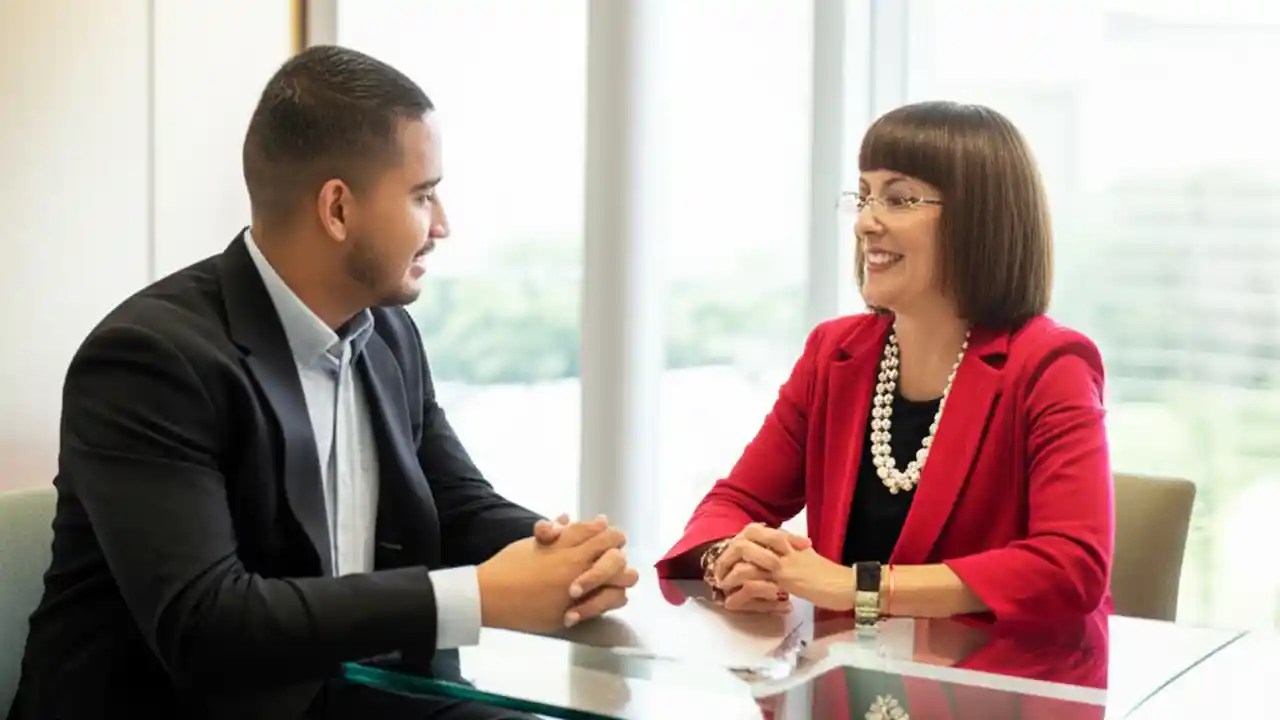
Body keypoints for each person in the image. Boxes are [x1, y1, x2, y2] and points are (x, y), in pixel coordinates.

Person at [9, 45, 637, 720]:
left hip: (349, 699)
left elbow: (455, 508)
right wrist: (480, 597)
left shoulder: (386, 335)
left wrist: (568, 560)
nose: (443, 225)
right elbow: (207, 623)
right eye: (423, 195)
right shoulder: (149, 360)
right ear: (338, 209)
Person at [656, 101, 1113, 628]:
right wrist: (729, 560)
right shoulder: (835, 353)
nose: (866, 223)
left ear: (979, 218)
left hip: (1001, 688)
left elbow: (1071, 565)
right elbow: (736, 500)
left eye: (898, 199)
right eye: (865, 196)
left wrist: (857, 586)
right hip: (845, 682)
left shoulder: (1050, 365)